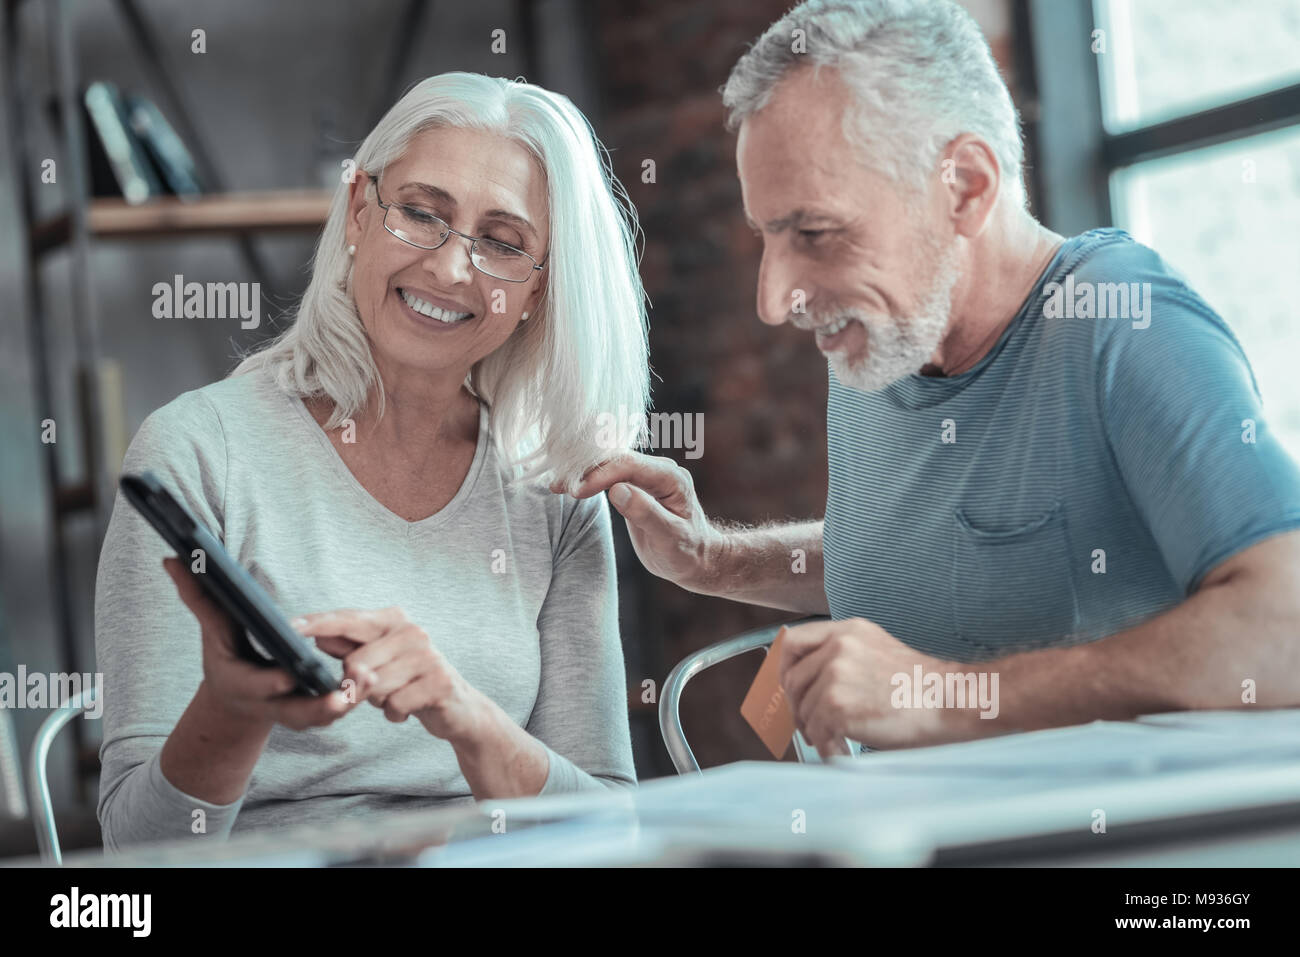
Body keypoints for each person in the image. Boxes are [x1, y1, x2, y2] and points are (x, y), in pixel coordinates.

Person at [561, 0, 1300, 757]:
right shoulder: (883, 339)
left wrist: (943, 695)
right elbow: (930, 551)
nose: (775, 299)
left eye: (815, 233)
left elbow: (1284, 623)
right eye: (768, 237)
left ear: (966, 187)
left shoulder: (1123, 320)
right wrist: (714, 559)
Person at [95, 72, 649, 849]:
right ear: (359, 210)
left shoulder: (556, 488)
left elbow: (611, 830)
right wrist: (233, 709)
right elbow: (138, 851)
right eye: (422, 214)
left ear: (538, 290)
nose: (452, 270)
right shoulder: (200, 450)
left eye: (502, 242)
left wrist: (466, 715)